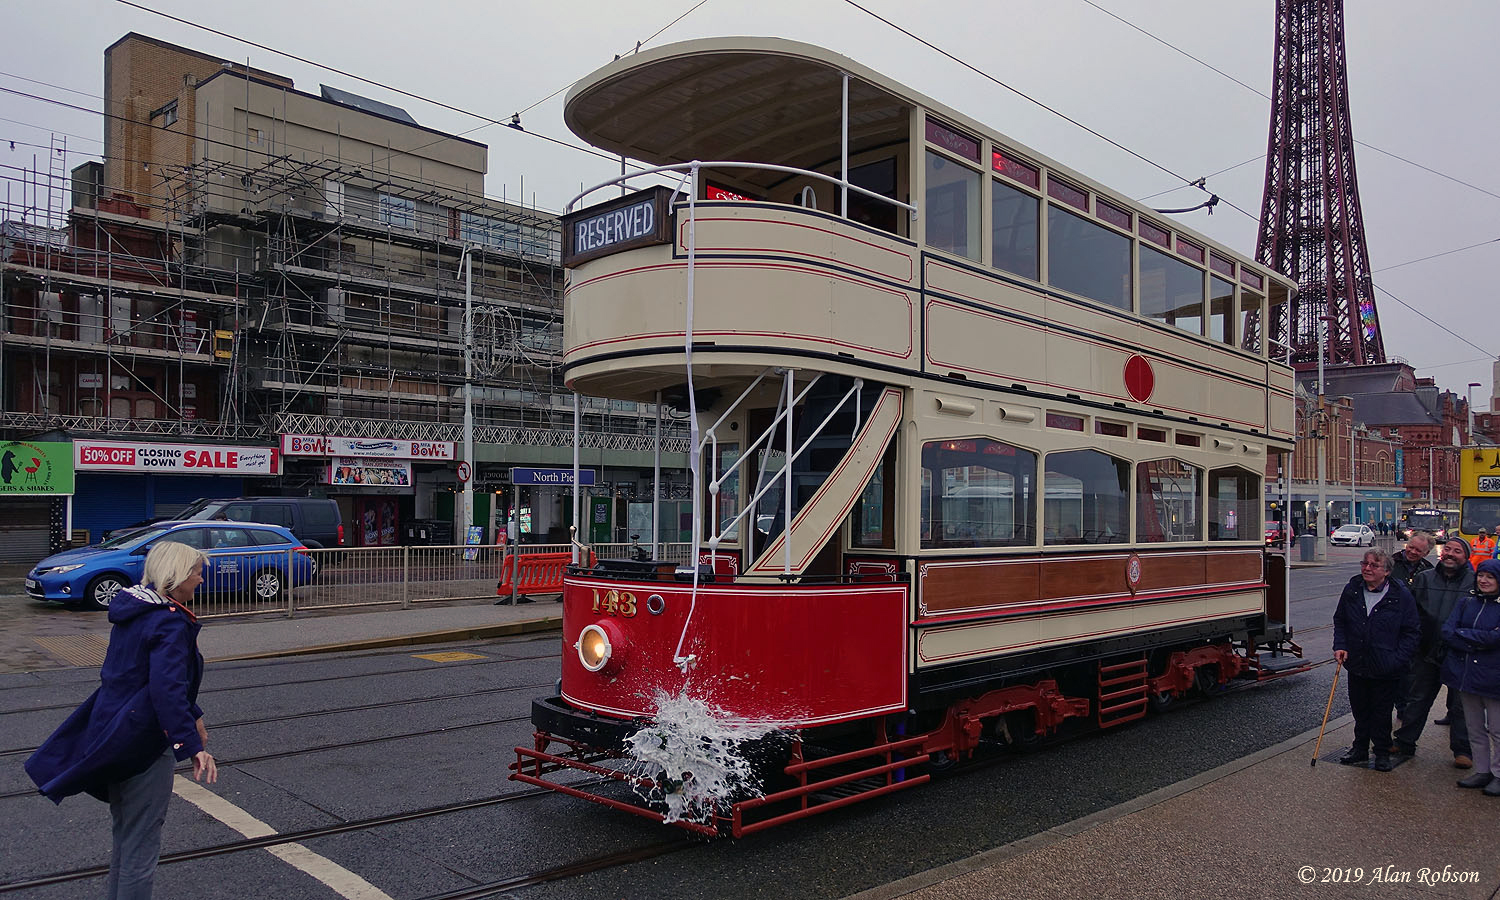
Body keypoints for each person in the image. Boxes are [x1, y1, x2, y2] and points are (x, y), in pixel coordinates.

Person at [25, 541, 218, 898]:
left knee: (126, 838)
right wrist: (191, 746)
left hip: (113, 734)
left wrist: (195, 716)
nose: (200, 580)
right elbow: (166, 690)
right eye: (196, 572)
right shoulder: (169, 622)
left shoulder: (135, 610)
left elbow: (133, 676)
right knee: (140, 848)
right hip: (144, 743)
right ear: (177, 576)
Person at [1332, 547, 1421, 772]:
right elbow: (1340, 620)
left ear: (1387, 571)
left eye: (1374, 565)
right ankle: (1359, 748)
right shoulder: (1352, 589)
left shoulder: (1400, 595)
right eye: (1365, 563)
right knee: (1360, 709)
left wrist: (1398, 659)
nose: (1367, 568)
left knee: (1381, 712)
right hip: (1358, 662)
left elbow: (1411, 631)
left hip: (1386, 665)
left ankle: (1382, 752)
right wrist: (1340, 645)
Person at [1392, 537, 1474, 767]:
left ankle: (1463, 750)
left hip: (1459, 653)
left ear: (1465, 557)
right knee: (1417, 698)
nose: (1450, 554)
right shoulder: (1424, 578)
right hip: (1425, 650)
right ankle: (1405, 741)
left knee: (1460, 705)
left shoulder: (1474, 581)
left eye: (1457, 551)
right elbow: (1410, 613)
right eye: (1447, 549)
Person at [1444, 558, 1500, 795]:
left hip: (1494, 678)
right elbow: (1448, 632)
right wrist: (1480, 641)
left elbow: (1496, 639)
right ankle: (1482, 770)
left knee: (1497, 730)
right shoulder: (1467, 602)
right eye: (1481, 576)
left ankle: (1499, 774)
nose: (1483, 581)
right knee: (1474, 727)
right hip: (1466, 675)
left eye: (1490, 577)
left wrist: (1465, 636)